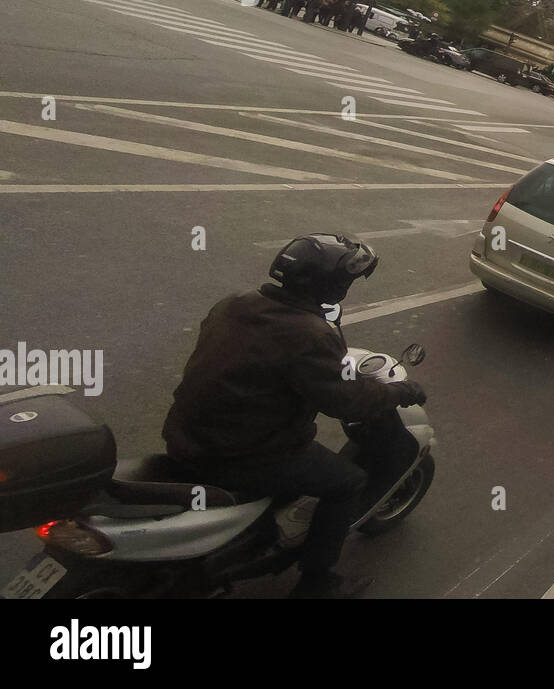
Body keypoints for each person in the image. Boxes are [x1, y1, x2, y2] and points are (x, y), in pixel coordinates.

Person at [162, 234, 426, 598]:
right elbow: (347, 401)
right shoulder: (309, 334)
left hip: (186, 433)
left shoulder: (235, 304)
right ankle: (317, 582)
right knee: (346, 482)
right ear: (329, 285)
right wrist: (401, 392)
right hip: (243, 454)